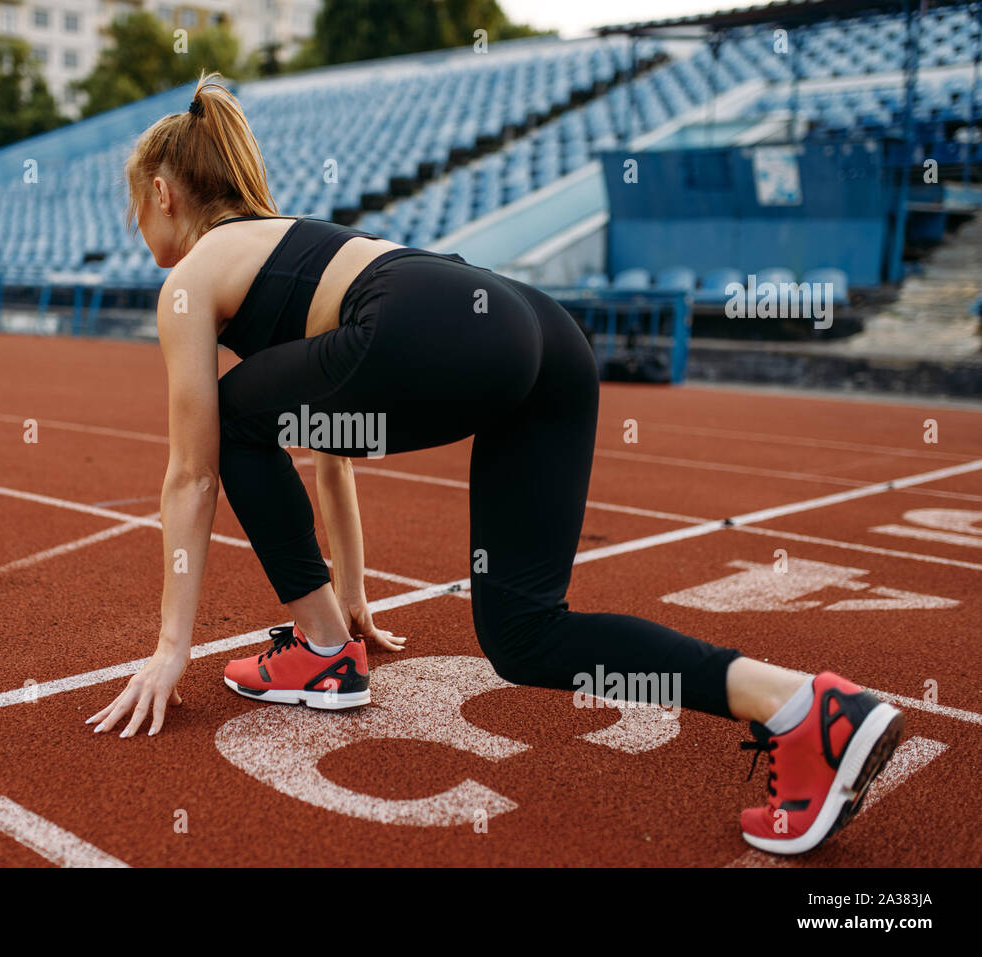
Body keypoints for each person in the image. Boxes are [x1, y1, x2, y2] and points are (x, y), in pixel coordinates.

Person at [86, 74, 904, 855]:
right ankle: (804, 705)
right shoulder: (295, 247)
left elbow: (192, 473)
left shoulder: (193, 279)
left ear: (163, 193)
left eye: (136, 207)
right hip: (543, 337)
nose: (137, 228)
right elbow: (333, 447)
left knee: (230, 418)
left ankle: (322, 651)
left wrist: (171, 647)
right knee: (523, 634)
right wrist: (355, 595)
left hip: (437, 326)